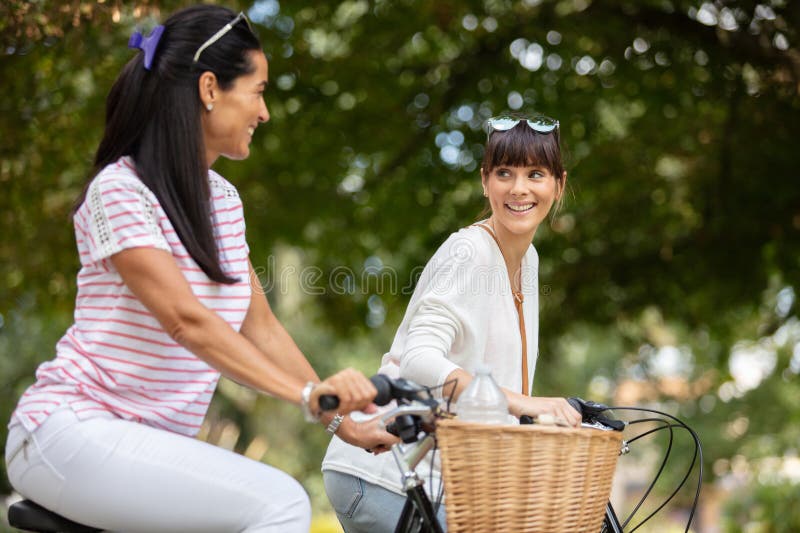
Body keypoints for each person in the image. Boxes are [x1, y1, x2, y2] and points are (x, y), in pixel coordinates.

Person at [3, 6, 396, 532]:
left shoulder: (223, 202)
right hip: (67, 430)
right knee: (280, 502)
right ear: (210, 89)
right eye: (257, 91)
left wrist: (343, 420)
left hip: (144, 444)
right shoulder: (121, 191)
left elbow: (260, 328)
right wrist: (308, 397)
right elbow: (186, 321)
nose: (265, 112)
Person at [321, 113, 583, 532]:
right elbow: (419, 361)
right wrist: (522, 402)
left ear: (559, 184)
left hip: (445, 483)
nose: (519, 188)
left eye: (536, 173)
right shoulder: (470, 252)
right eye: (504, 172)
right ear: (485, 181)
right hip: (388, 473)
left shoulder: (528, 261)